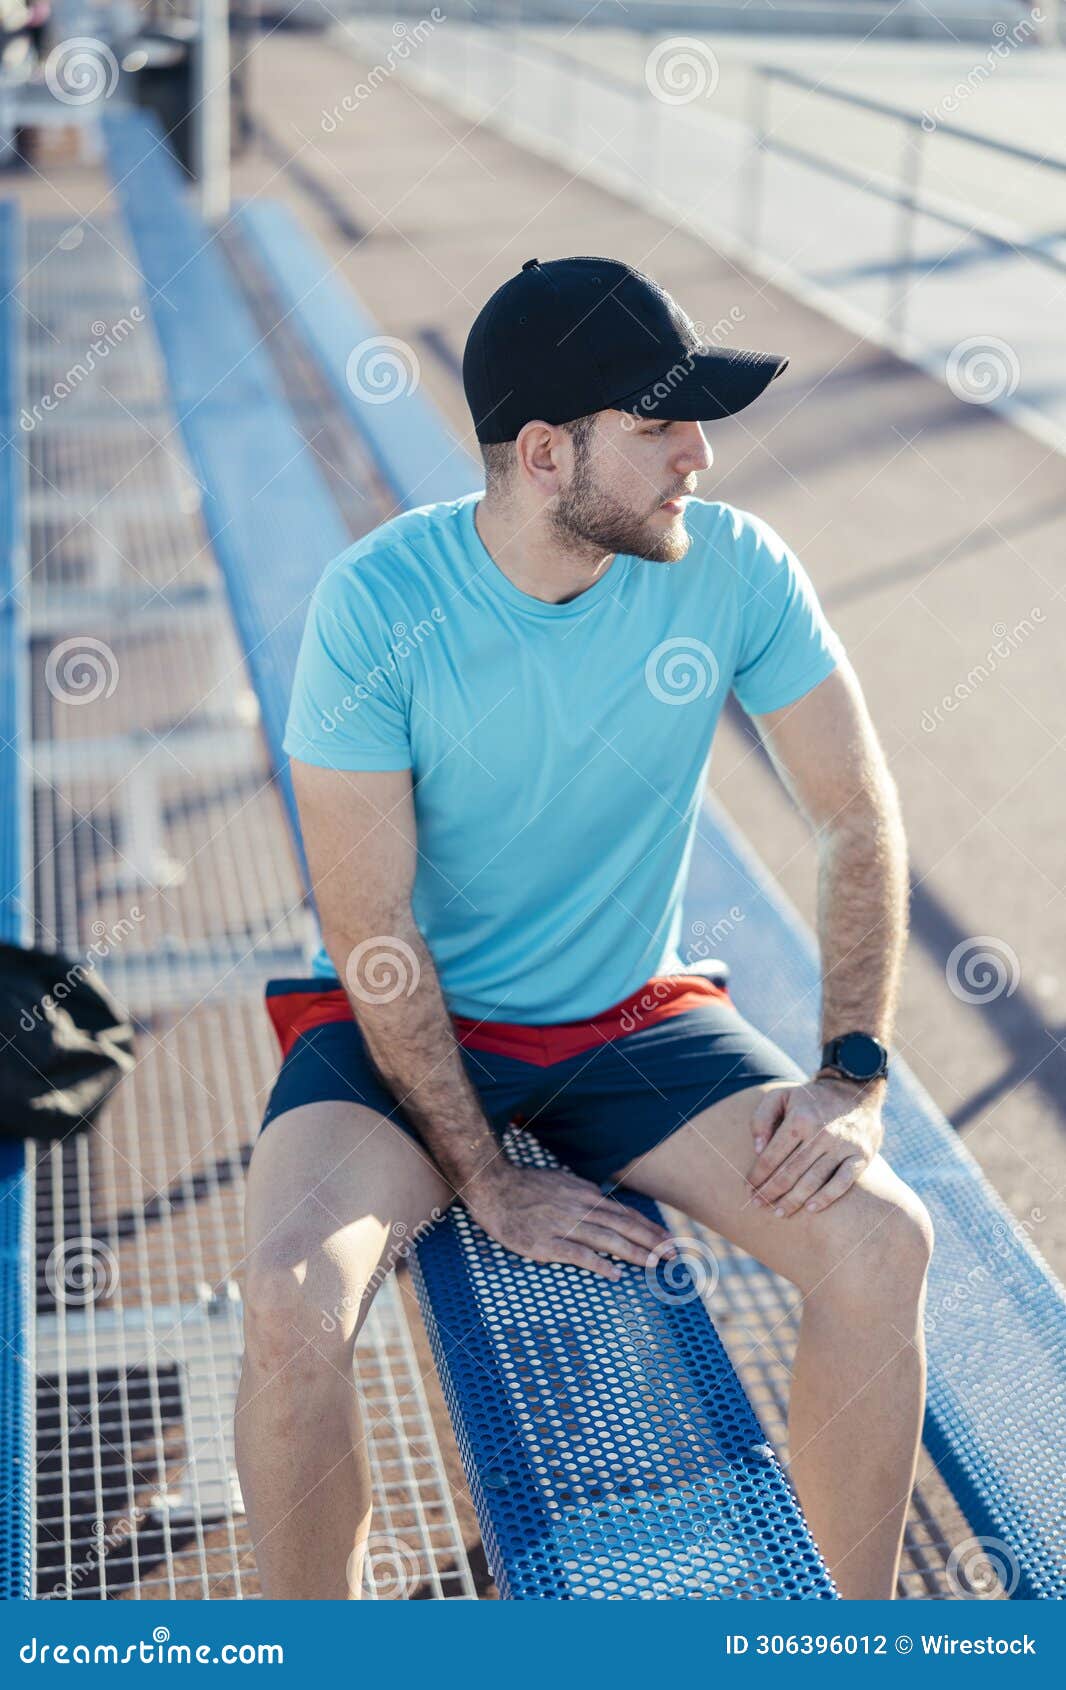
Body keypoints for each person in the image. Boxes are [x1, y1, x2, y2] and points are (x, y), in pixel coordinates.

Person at [235, 256, 933, 1601]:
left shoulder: (731, 568)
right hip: (399, 1024)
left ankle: (844, 1646)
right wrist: (482, 1175)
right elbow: (371, 929)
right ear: (547, 451)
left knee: (881, 1238)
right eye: (660, 425)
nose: (699, 456)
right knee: (286, 1303)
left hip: (624, 1016)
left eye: (697, 421)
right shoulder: (379, 607)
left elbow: (855, 814)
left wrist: (848, 1072)